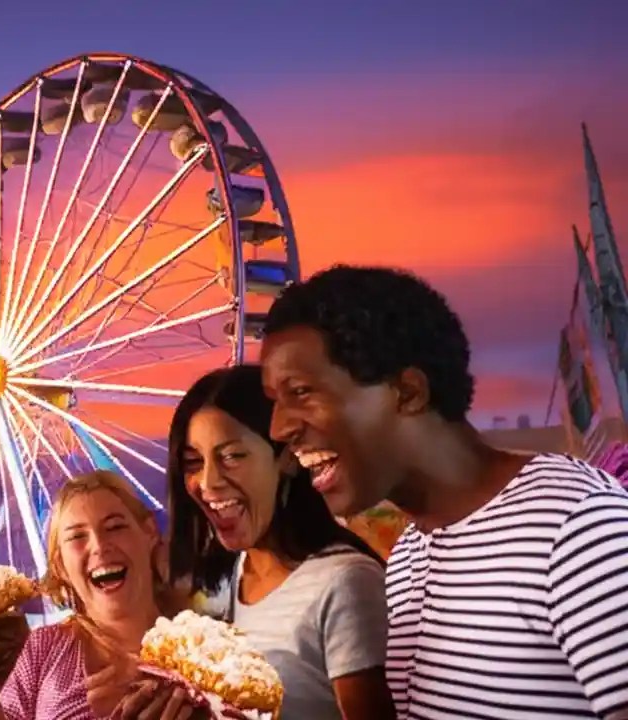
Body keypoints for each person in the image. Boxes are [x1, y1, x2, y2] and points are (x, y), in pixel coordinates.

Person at [260, 265, 628, 719]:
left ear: (408, 392)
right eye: (276, 401)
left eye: (301, 392)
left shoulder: (579, 528)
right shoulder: (413, 551)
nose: (279, 429)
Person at [166, 365, 394, 719]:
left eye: (231, 456)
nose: (208, 482)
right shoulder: (240, 570)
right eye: (193, 462)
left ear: (287, 456)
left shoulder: (344, 582)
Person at [0, 470, 203, 720]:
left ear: (149, 533)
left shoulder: (207, 657)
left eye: (115, 527)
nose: (99, 545)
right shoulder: (41, 651)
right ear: (60, 566)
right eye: (77, 536)